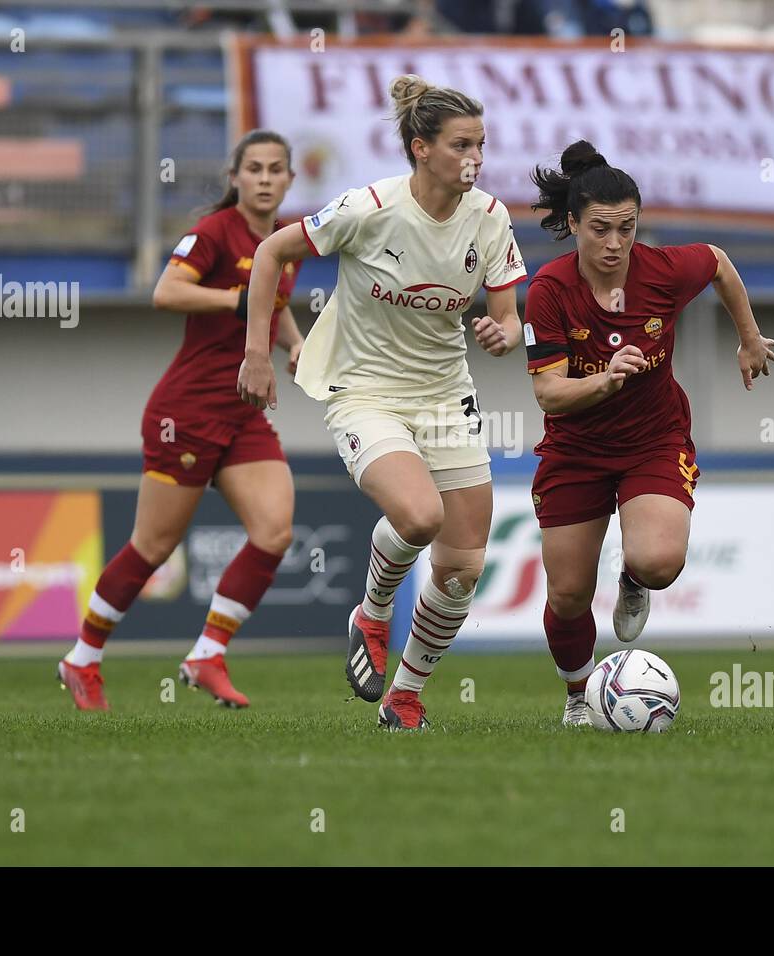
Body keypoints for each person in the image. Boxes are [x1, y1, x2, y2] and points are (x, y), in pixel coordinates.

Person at [237, 75, 527, 730]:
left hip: (445, 396)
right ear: (421, 148)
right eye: (460, 145)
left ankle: (405, 697)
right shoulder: (367, 208)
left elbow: (508, 320)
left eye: (481, 144)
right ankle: (370, 613)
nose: (475, 158)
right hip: (364, 390)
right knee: (419, 516)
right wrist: (259, 352)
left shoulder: (491, 217)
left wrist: (500, 334)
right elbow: (270, 252)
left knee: (462, 565)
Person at [524, 140, 774, 726]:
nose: (614, 244)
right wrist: (606, 383)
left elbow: (717, 260)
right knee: (566, 596)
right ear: (572, 225)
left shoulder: (662, 270)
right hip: (575, 449)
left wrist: (748, 336)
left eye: (627, 229)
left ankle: (634, 578)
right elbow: (549, 393)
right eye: (600, 230)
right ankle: (578, 698)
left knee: (660, 560)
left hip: (654, 440)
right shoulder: (549, 291)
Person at [57, 130, 304, 711]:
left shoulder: (287, 241)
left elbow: (279, 302)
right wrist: (234, 300)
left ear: (291, 180)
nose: (265, 178)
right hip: (185, 413)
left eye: (276, 169)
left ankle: (207, 654)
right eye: (255, 169)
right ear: (235, 178)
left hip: (243, 413)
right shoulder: (216, 233)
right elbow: (165, 293)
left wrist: (294, 343)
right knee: (153, 546)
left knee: (275, 531)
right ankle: (82, 658)